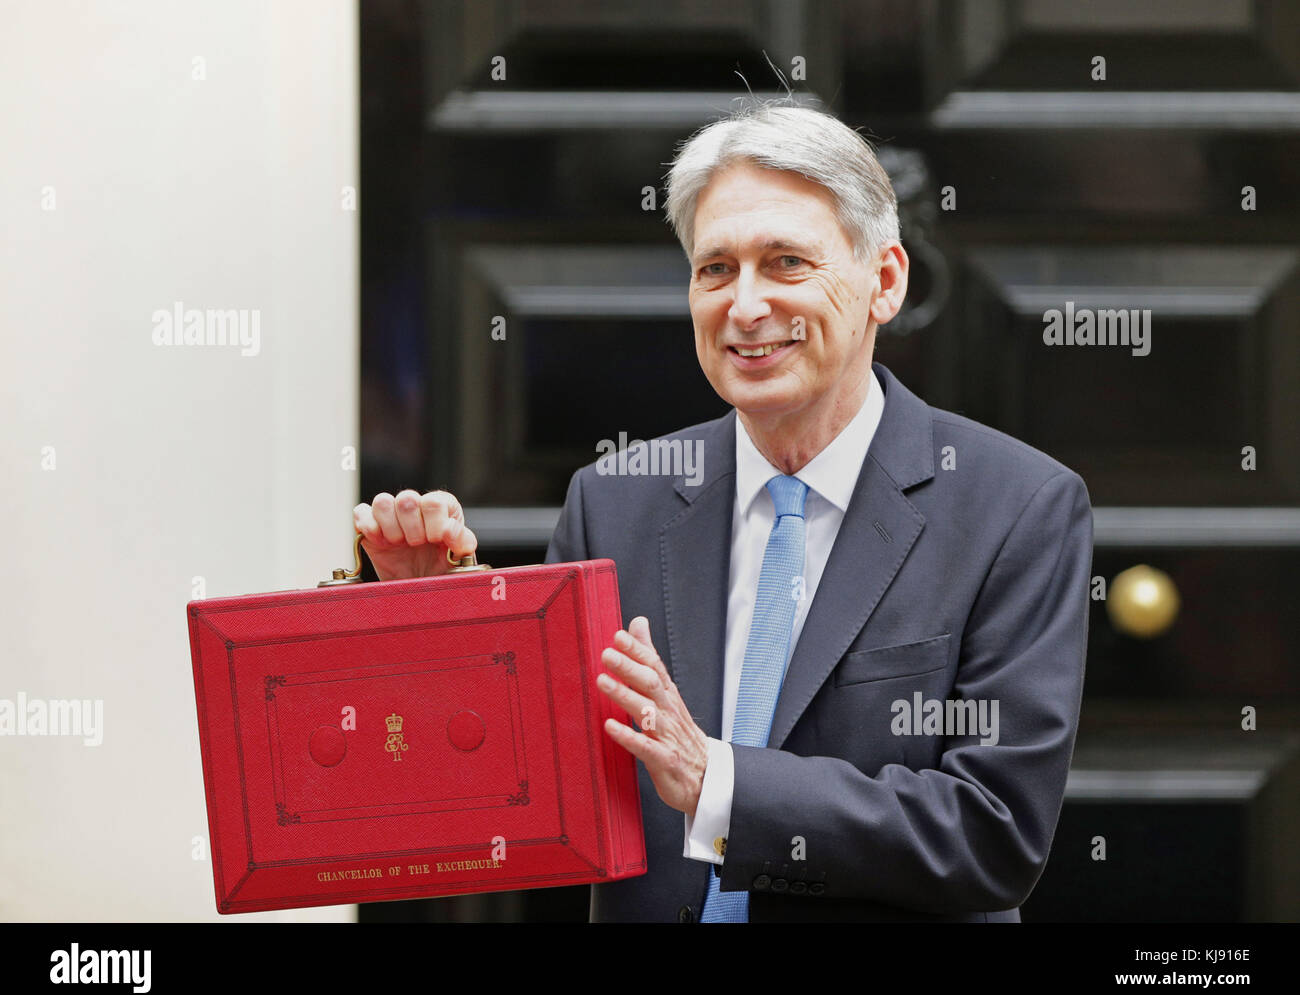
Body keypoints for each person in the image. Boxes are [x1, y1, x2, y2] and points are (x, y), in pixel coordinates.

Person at [353, 102, 1093, 923]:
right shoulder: (615, 500)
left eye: (785, 263)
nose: (744, 306)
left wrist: (719, 783)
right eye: (715, 269)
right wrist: (431, 630)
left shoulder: (1015, 507)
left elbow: (993, 833)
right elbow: (518, 798)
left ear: (884, 280)